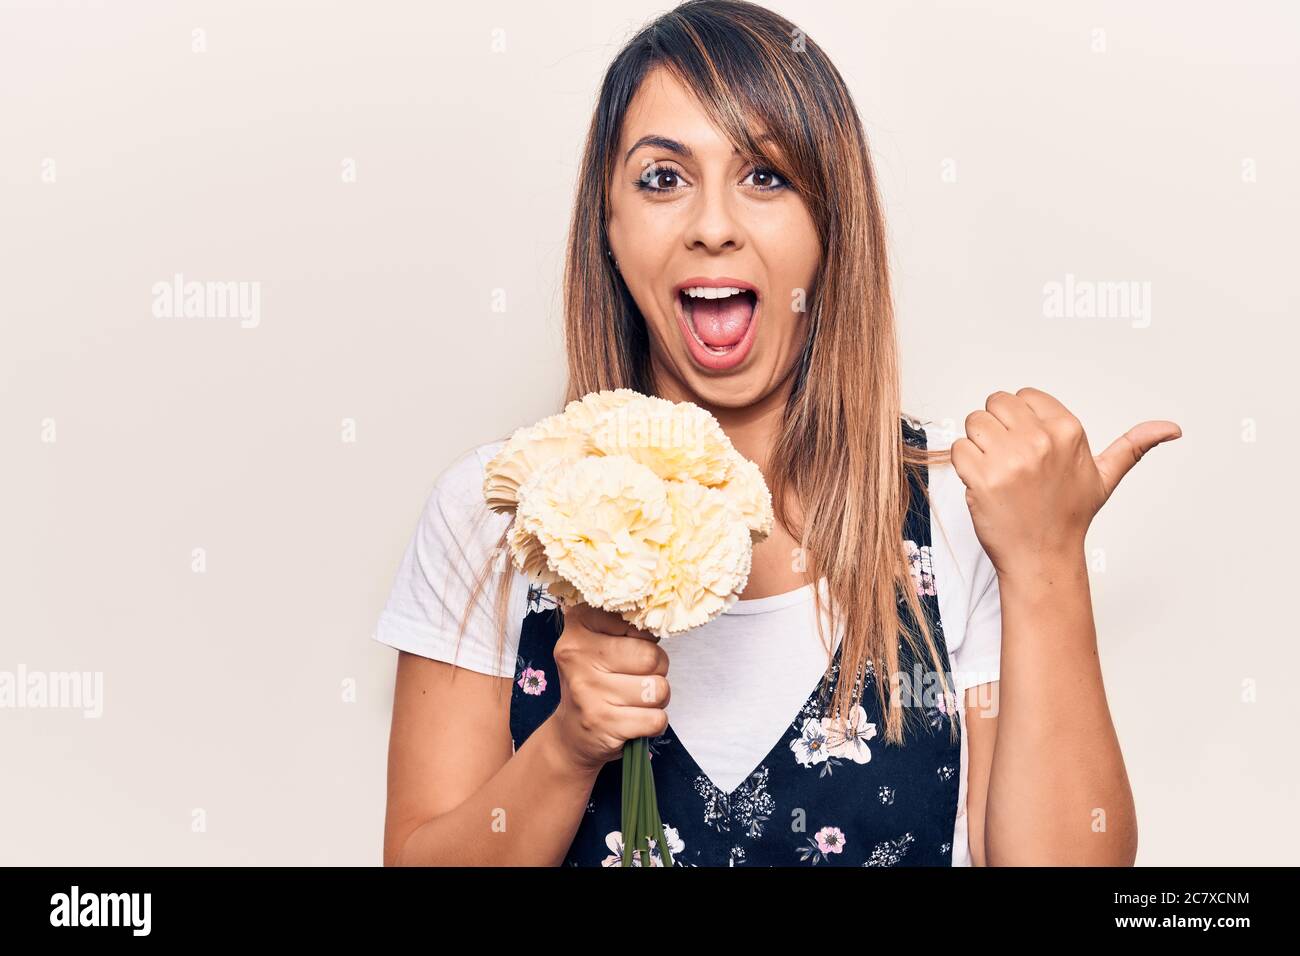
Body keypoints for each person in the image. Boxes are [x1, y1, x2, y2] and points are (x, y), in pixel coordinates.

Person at [374, 0, 1179, 867]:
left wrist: (1048, 562)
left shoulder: (961, 510)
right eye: (661, 178)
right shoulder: (496, 513)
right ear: (606, 229)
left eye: (765, 177)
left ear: (831, 229)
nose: (713, 225)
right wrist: (569, 747)